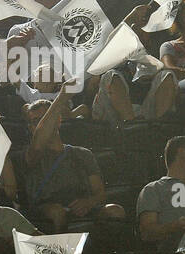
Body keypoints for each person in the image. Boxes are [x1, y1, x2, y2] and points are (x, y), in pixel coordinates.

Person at [24, 88, 125, 231]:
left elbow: (100, 192)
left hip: (81, 206)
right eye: (36, 122)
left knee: (115, 211)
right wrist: (62, 97)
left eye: (46, 118)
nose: (43, 124)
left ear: (58, 120)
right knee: (57, 212)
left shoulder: (83, 154)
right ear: (30, 128)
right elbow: (38, 146)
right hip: (47, 210)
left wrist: (89, 202)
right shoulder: (31, 154)